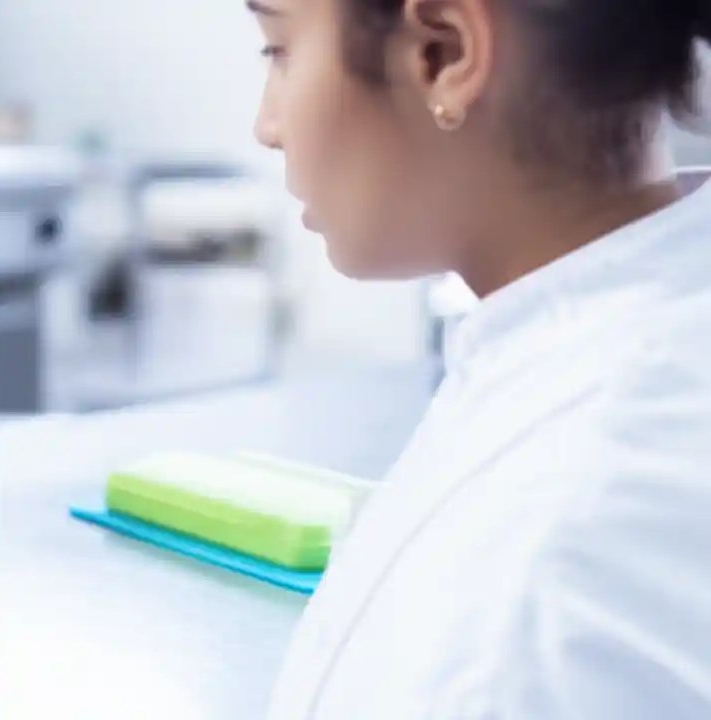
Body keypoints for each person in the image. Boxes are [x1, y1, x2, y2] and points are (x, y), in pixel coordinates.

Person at [249, 0, 711, 717]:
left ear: (444, 54)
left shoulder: (541, 582)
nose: (267, 125)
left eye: (279, 50)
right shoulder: (632, 349)